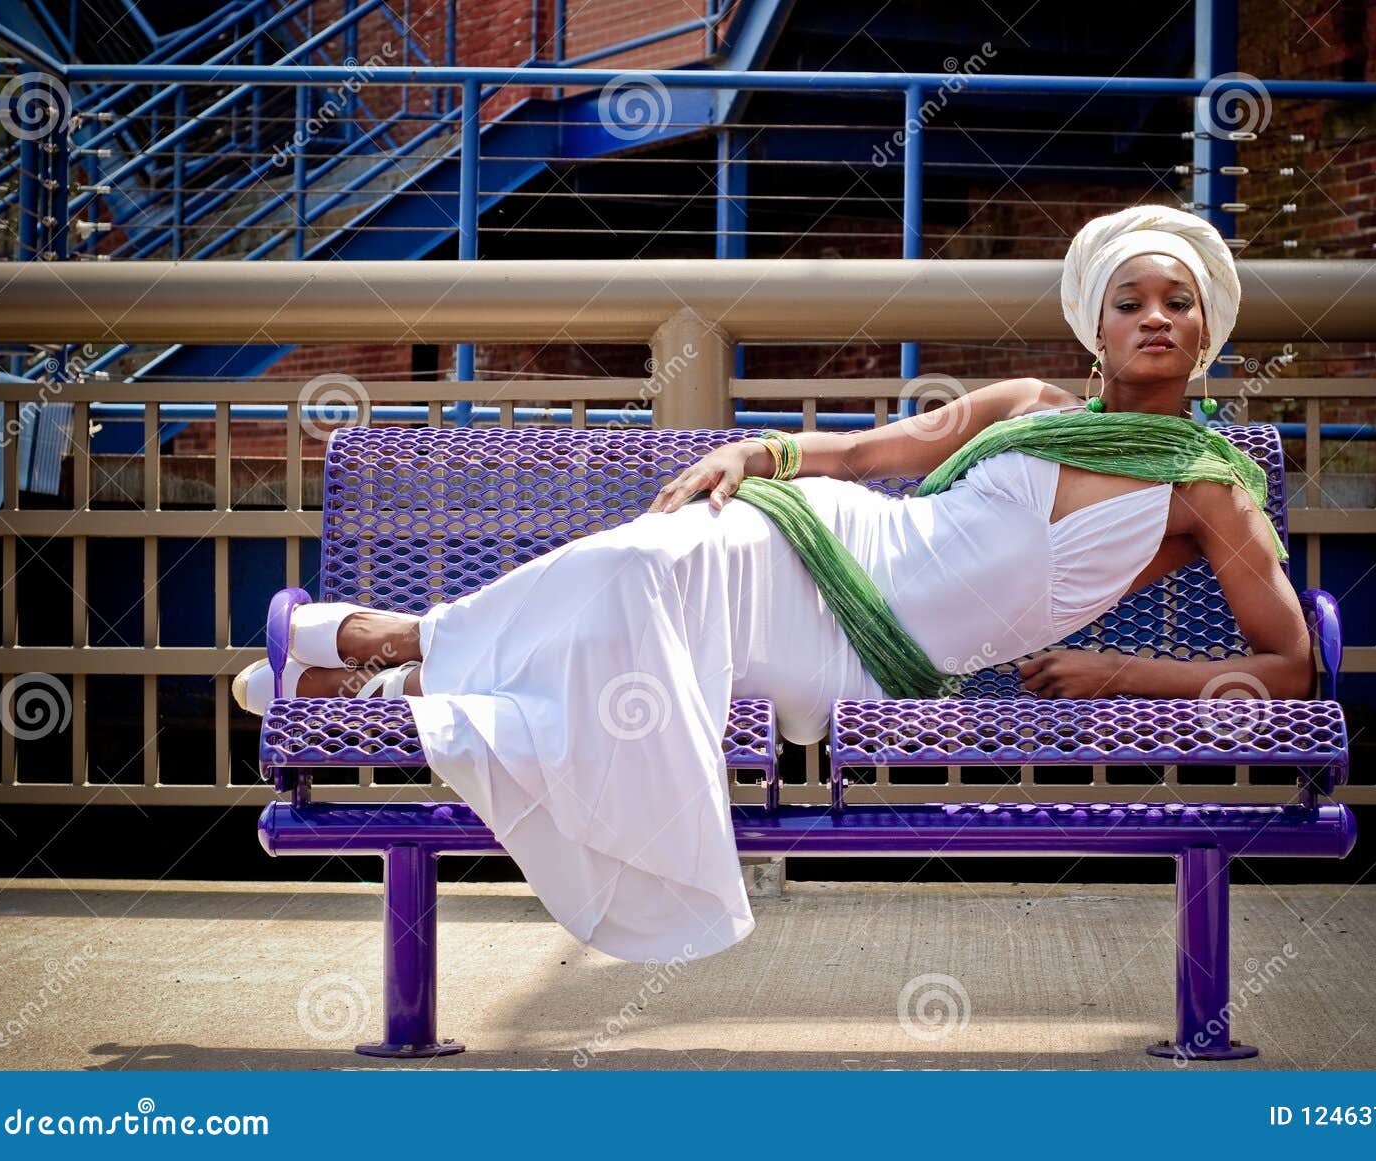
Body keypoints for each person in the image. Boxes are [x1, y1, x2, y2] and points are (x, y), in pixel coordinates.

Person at [232, 204, 1315, 963]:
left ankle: (394, 678)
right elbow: (867, 458)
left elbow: (1293, 666)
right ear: (1098, 325)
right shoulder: (1027, 401)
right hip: (825, 535)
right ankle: (389, 647)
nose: (1153, 316)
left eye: (1178, 300)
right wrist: (756, 455)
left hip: (875, 655)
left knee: (633, 621)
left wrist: (1121, 670)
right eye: (1128, 300)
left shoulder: (1208, 492)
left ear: (1210, 329)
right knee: (637, 562)